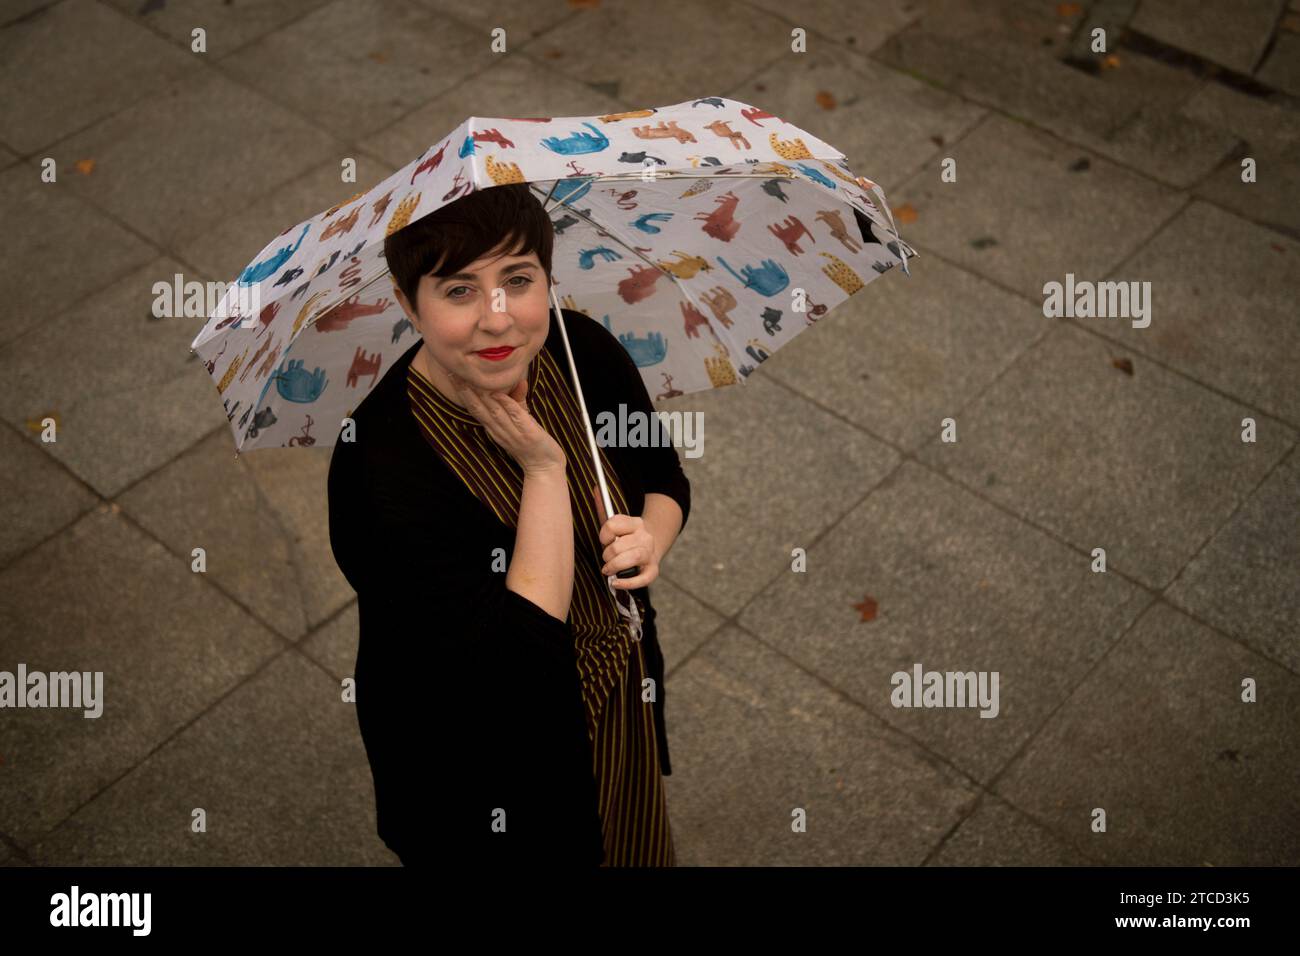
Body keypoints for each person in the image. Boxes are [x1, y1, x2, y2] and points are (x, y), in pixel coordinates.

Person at [326, 183, 691, 867]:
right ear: (409, 304)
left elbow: (664, 479)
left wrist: (652, 537)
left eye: (517, 280)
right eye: (459, 290)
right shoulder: (378, 465)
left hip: (616, 696)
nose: (499, 320)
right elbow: (519, 659)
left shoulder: (582, 354)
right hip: (481, 752)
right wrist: (544, 472)